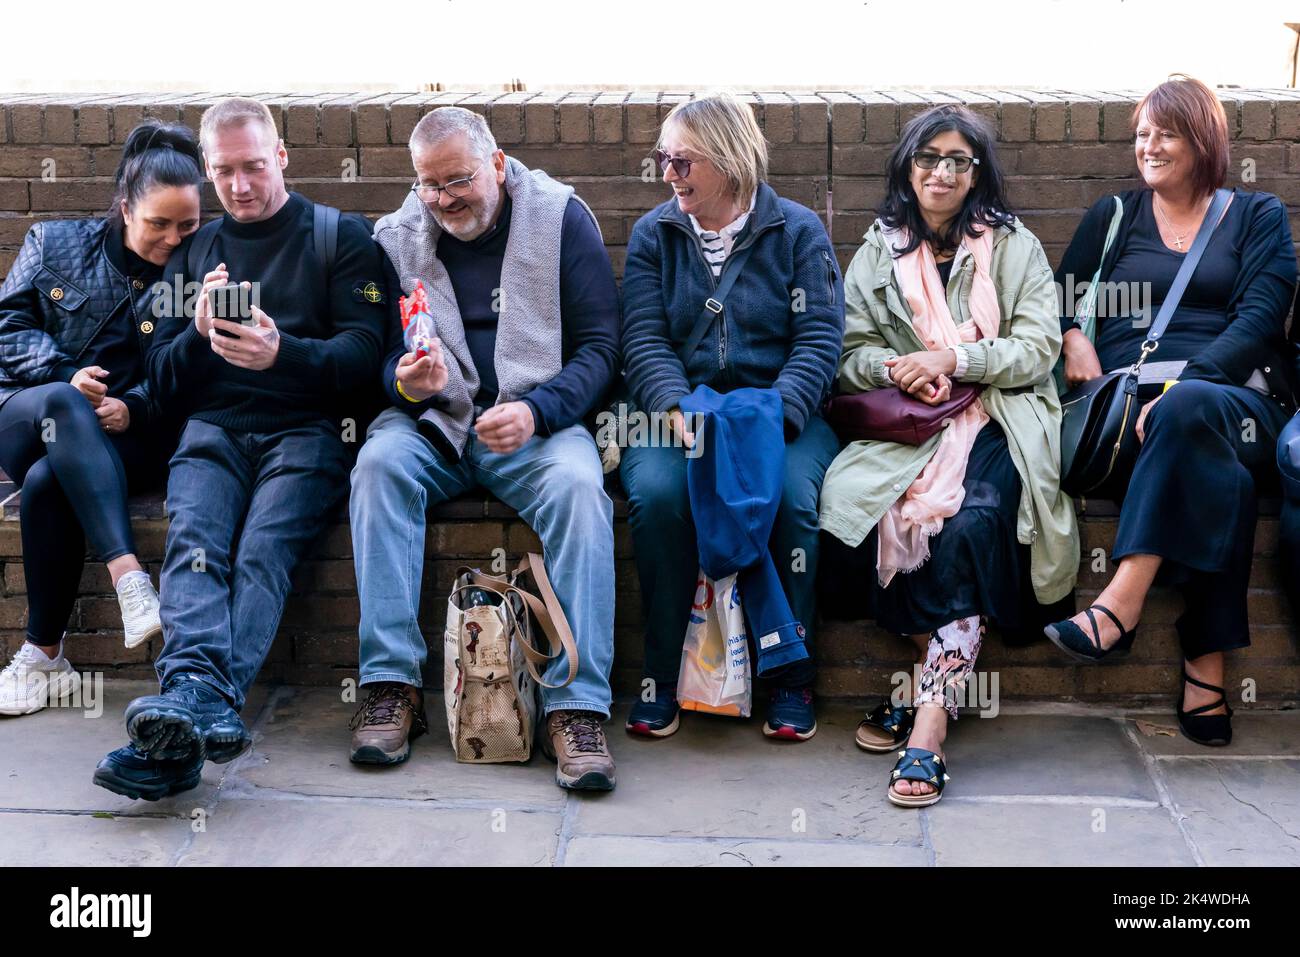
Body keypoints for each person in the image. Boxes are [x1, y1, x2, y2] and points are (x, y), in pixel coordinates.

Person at [92, 98, 388, 801]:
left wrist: (281, 354)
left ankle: (191, 705)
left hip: (309, 433)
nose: (241, 186)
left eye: (254, 166)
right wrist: (194, 331)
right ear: (208, 171)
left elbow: (367, 358)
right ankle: (204, 703)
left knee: (262, 551)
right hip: (213, 429)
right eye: (224, 172)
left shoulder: (338, 237)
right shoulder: (194, 252)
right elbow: (157, 382)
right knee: (196, 542)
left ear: (281, 156)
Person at [349, 107, 621, 790]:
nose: (444, 201)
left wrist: (537, 409)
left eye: (458, 181)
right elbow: (377, 359)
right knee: (377, 464)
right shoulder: (394, 237)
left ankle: (576, 705)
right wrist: (406, 382)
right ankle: (390, 685)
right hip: (435, 426)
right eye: (428, 186)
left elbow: (602, 350)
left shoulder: (561, 217)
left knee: (581, 490)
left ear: (498, 165)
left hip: (534, 425)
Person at [819, 105, 1077, 806]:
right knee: (874, 510)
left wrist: (955, 357)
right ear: (908, 166)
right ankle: (935, 676)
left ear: (977, 172)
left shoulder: (1012, 246)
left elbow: (1036, 348)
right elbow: (848, 351)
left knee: (969, 523)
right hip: (910, 424)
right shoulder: (880, 248)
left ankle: (926, 728)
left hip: (998, 414)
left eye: (958, 160)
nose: (941, 171)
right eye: (928, 157)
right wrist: (899, 368)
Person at [1047, 76, 1296, 748]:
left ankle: (1118, 605)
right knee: (1223, 479)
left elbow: (1260, 320)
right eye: (1141, 134)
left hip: (1239, 405)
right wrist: (1073, 335)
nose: (1148, 146)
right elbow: (1064, 297)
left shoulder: (1257, 215)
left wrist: (1185, 383)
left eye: (1166, 133)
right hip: (1125, 413)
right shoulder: (1114, 216)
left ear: (1203, 139)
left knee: (1192, 415)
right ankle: (1205, 671)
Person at [619, 91, 844, 741]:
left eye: (682, 161)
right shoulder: (654, 235)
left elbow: (821, 338)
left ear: (728, 159)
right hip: (681, 411)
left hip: (777, 409)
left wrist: (775, 416)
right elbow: (643, 339)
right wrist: (674, 406)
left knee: (791, 502)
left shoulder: (797, 231)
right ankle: (662, 672)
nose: (668, 174)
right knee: (661, 497)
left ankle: (790, 675)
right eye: (664, 159)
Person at [0, 121, 201, 716]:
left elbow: (197, 371)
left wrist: (132, 406)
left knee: (47, 484)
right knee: (66, 405)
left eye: (186, 225)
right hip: (34, 415)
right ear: (124, 209)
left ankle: (43, 657)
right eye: (157, 224)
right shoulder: (52, 242)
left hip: (127, 438)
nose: (172, 239)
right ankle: (129, 576)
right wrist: (65, 372)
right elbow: (4, 329)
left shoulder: (198, 273)